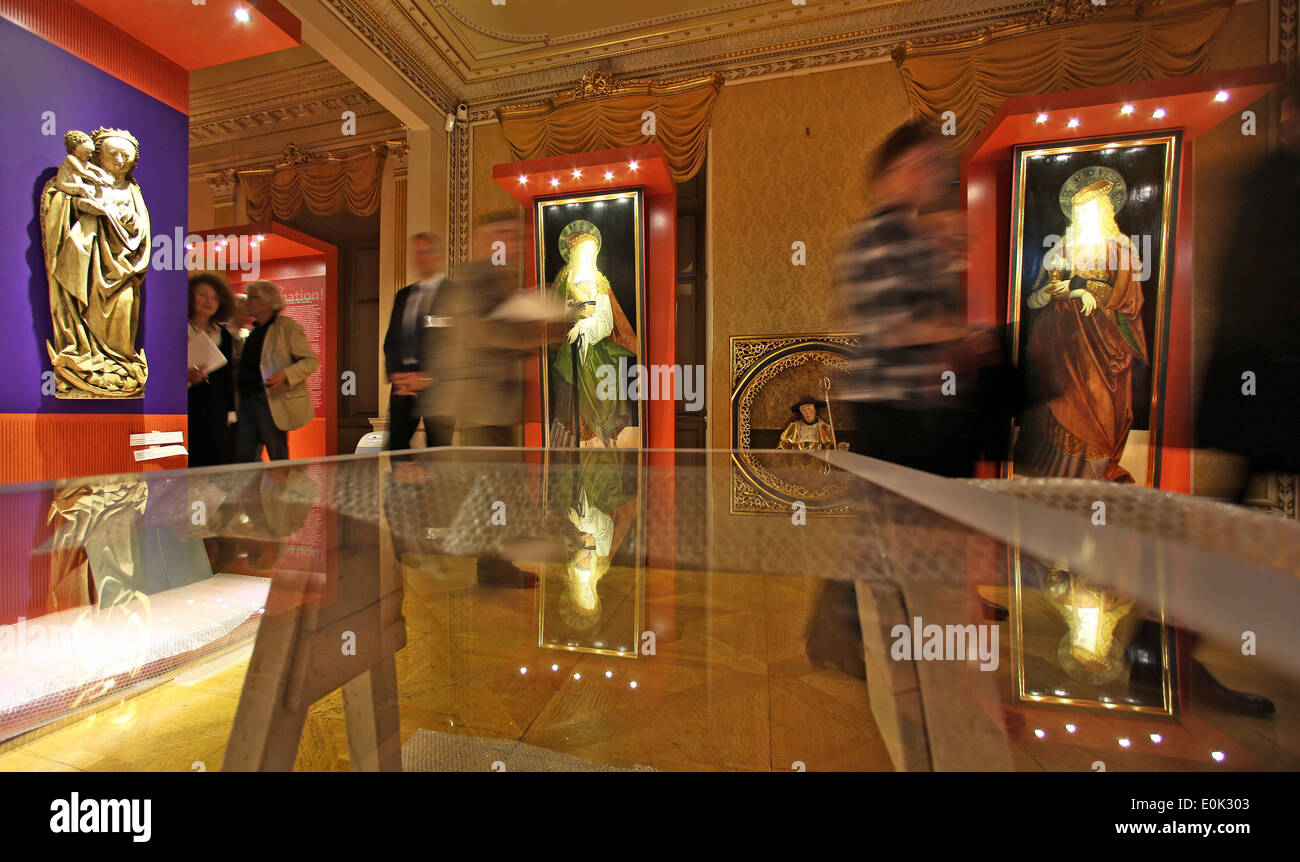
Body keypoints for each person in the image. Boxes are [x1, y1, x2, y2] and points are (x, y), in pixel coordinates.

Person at [419, 211, 561, 587]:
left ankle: (491, 563)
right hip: (480, 405)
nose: (511, 244)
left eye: (516, 237)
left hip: (494, 405)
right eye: (502, 235)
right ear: (483, 241)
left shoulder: (495, 282)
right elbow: (480, 333)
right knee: (490, 486)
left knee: (496, 486)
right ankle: (463, 553)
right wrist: (532, 334)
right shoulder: (473, 280)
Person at [233, 280, 319, 462]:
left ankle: (281, 490)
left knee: (277, 456)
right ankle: (252, 491)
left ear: (267, 301)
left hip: (270, 402)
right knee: (244, 458)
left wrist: (286, 374)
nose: (247, 302)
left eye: (252, 298)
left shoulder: (287, 328)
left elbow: (311, 361)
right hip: (246, 402)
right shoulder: (254, 332)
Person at [382, 233, 452, 449]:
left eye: (426, 251)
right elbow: (391, 341)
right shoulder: (403, 295)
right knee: (397, 450)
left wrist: (428, 377)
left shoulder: (454, 294)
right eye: (417, 252)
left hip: (439, 389)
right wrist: (397, 376)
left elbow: (453, 343)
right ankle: (402, 485)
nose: (420, 257)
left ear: (438, 255)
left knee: (438, 455)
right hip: (403, 387)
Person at [187, 272, 238, 467]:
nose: (209, 301)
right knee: (191, 457)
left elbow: (226, 375)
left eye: (215, 297)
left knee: (214, 458)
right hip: (187, 403)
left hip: (216, 406)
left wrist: (230, 411)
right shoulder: (177, 328)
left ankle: (210, 499)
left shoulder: (223, 333)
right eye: (202, 294)